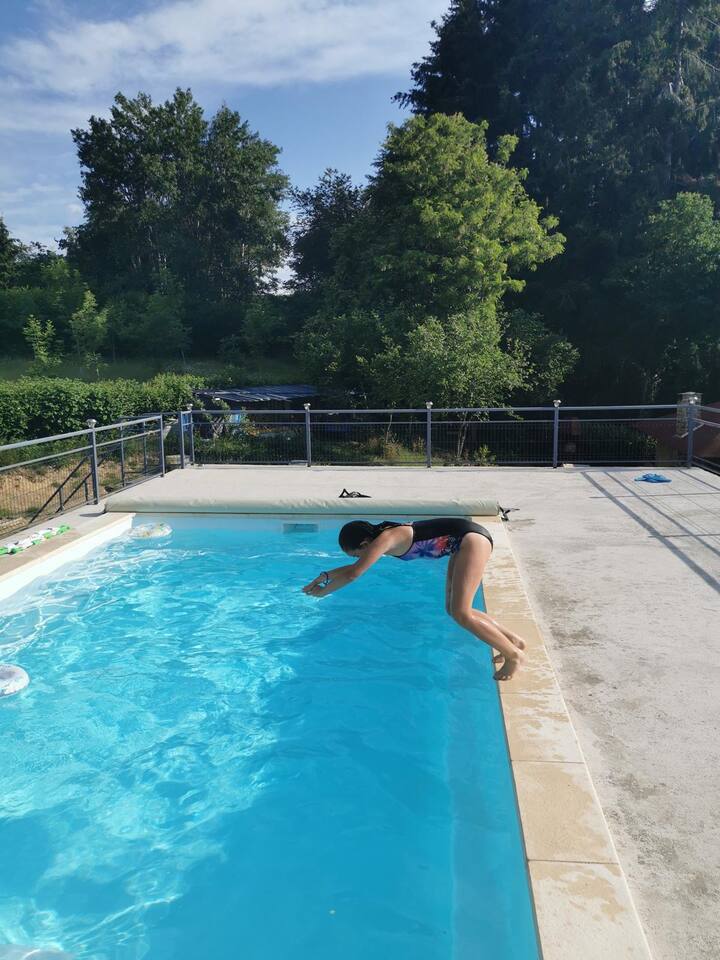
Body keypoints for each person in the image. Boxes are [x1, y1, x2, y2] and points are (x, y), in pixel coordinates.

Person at [302, 518, 525, 680]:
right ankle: (513, 641)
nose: (361, 558)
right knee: (454, 608)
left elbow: (354, 573)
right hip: (462, 543)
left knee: (461, 612)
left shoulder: (386, 538)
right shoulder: (380, 539)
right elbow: (353, 568)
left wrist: (323, 592)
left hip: (471, 540)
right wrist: (324, 577)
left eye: (358, 554)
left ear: (364, 544)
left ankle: (513, 655)